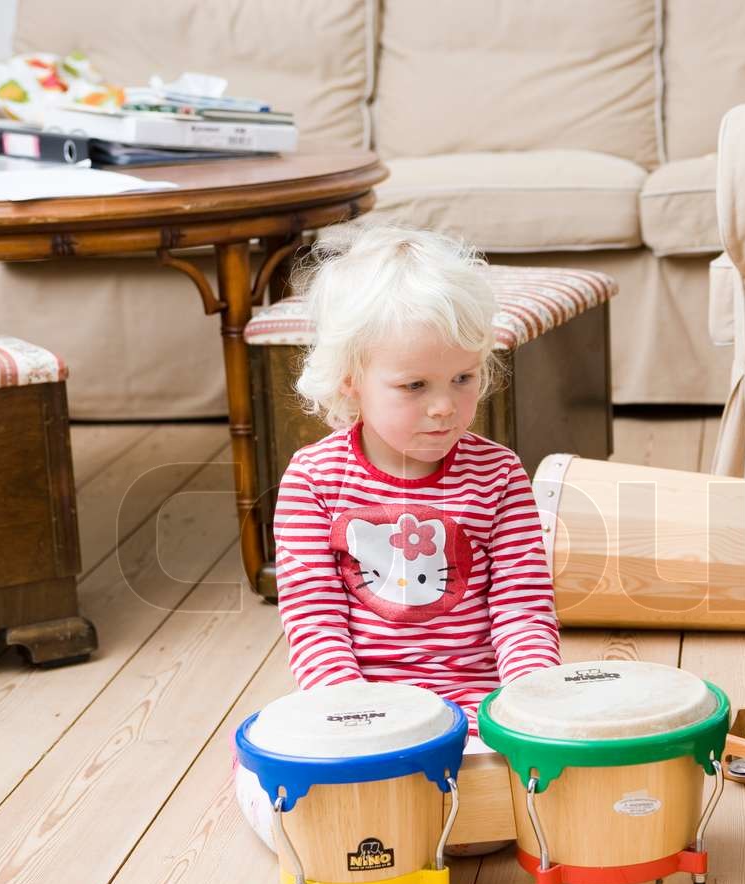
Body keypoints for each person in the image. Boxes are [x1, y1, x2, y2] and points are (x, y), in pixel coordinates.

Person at [233, 221, 560, 848]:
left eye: (463, 378)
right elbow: (315, 621)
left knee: (493, 809)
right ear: (350, 379)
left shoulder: (499, 474)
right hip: (359, 706)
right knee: (268, 776)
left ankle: (447, 818)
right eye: (415, 386)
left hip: (475, 710)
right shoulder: (314, 478)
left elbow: (522, 610)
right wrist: (356, 718)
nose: (444, 406)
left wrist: (530, 706)